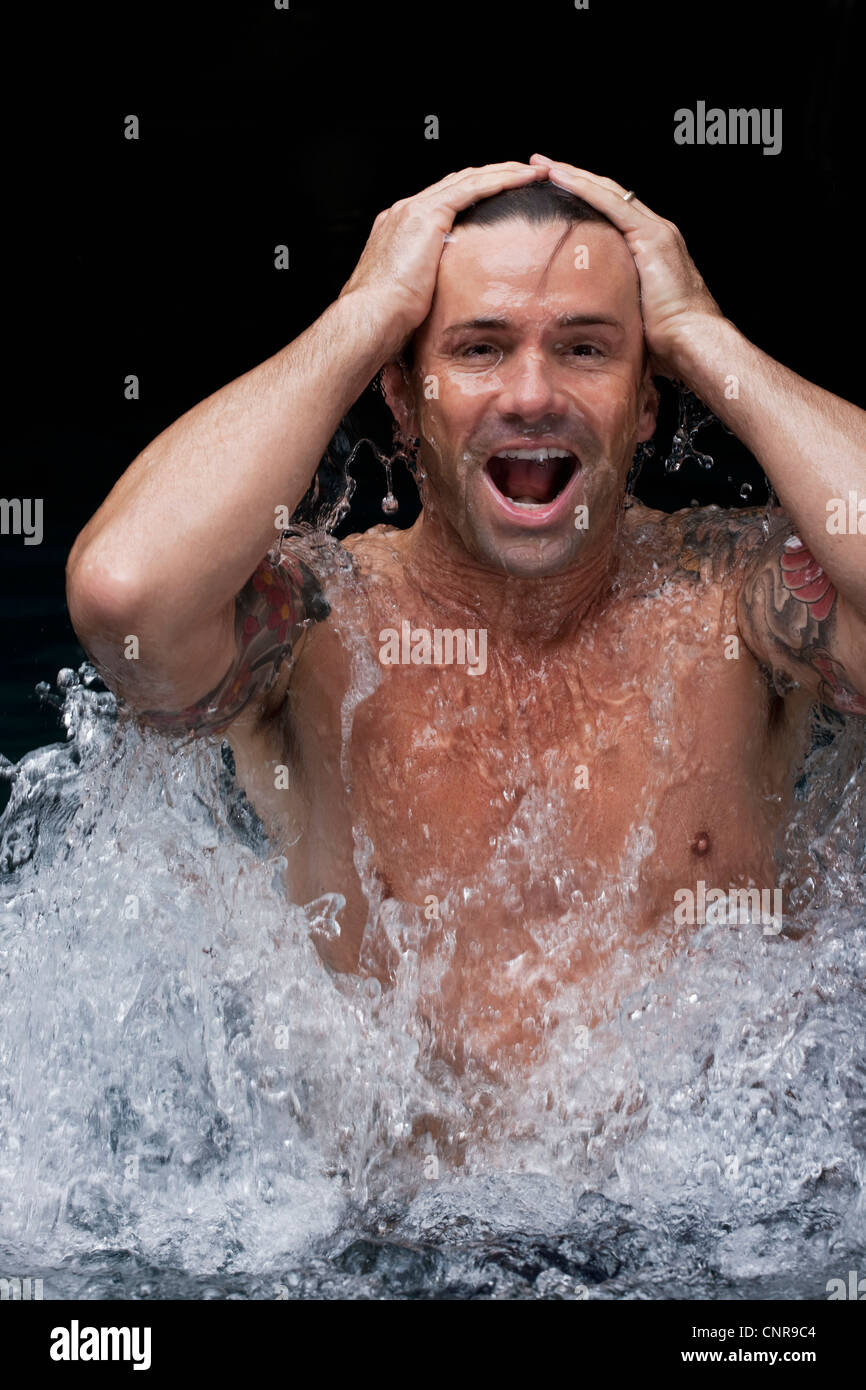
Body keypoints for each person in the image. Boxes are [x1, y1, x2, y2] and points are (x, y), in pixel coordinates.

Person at [65, 157, 866, 1075]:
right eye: (479, 350)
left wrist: (704, 335)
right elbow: (127, 594)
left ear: (646, 402)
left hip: (721, 1169)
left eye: (586, 350)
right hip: (386, 1175)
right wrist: (363, 317)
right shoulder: (324, 630)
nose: (532, 396)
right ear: (404, 399)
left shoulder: (733, 610)